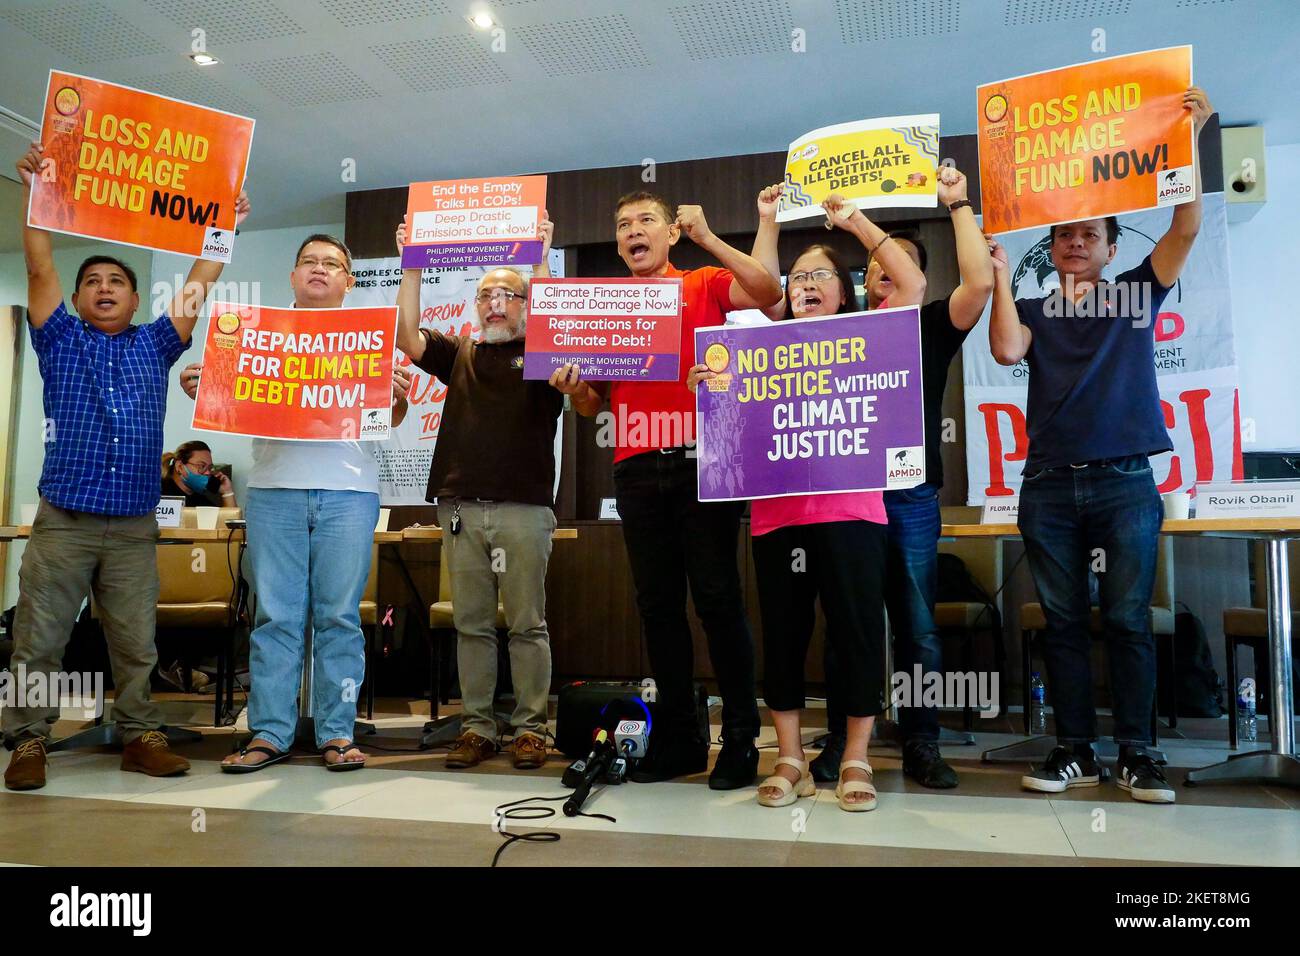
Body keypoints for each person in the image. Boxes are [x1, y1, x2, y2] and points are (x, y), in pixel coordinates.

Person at [988, 88, 1213, 804]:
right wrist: (997, 272)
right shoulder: (1031, 308)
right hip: (1050, 483)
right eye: (1064, 236)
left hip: (1124, 483)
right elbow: (1002, 347)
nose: (1076, 241)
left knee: (1124, 619)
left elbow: (1184, 226)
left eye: (1090, 233)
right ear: (1051, 251)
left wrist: (1190, 141)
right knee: (1061, 624)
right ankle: (1074, 750)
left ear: (1113, 249)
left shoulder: (1136, 294)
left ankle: (1138, 755)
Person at [3, 142, 248, 791]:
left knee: (138, 643)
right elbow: (37, 271)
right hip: (65, 522)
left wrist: (225, 228)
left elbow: (199, 284)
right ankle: (28, 741)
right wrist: (37, 200)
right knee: (38, 639)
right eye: (93, 282)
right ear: (79, 299)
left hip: (135, 527)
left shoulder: (155, 343)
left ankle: (140, 734)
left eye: (117, 282)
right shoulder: (59, 337)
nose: (104, 289)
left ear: (137, 299)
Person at [689, 187, 927, 810]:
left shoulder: (870, 333)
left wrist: (854, 223)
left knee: (854, 634)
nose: (804, 283)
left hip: (853, 514)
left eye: (820, 274)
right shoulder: (756, 343)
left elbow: (912, 284)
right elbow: (727, 424)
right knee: (786, 635)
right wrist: (706, 389)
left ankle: (854, 757)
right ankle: (789, 756)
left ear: (845, 291)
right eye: (798, 277)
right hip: (776, 519)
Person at [559, 193, 783, 788]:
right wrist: (574, 388)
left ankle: (740, 741)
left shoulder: (703, 281)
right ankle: (682, 738)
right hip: (635, 466)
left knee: (717, 600)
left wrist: (709, 236)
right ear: (617, 244)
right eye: (623, 224)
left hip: (705, 461)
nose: (633, 231)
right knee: (657, 609)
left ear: (671, 234)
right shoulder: (606, 307)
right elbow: (592, 404)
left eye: (645, 221)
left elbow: (767, 293)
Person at [176, 234, 411, 773]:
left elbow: (391, 419)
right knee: (275, 618)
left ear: (349, 281)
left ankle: (336, 733)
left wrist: (395, 399)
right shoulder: (255, 335)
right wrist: (207, 388)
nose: (320, 270)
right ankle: (270, 733)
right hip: (274, 493)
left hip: (350, 493)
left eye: (333, 264)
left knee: (339, 618)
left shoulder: (372, 338)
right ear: (293, 276)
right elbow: (229, 403)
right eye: (310, 262)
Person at [813, 165, 995, 789]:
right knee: (847, 621)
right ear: (862, 280)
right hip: (844, 495)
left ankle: (921, 740)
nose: (885, 269)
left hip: (911, 495)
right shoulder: (837, 330)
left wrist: (957, 203)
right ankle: (842, 738)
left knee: (917, 626)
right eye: (874, 264)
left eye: (899, 262)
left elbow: (978, 280)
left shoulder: (936, 322)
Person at [393, 215, 568, 770]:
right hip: (461, 507)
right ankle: (477, 727)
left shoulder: (548, 356)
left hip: (523, 508)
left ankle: (531, 729)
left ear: (526, 304)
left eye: (508, 295)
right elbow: (405, 335)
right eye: (486, 293)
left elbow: (556, 318)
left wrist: (542, 253)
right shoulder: (461, 352)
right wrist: (412, 263)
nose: (496, 303)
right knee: (470, 623)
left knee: (526, 624)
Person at [161, 440, 236, 507]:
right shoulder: (158, 493)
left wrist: (227, 492)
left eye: (210, 468)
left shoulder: (200, 501)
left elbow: (228, 520)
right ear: (180, 466)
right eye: (201, 466)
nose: (207, 473)